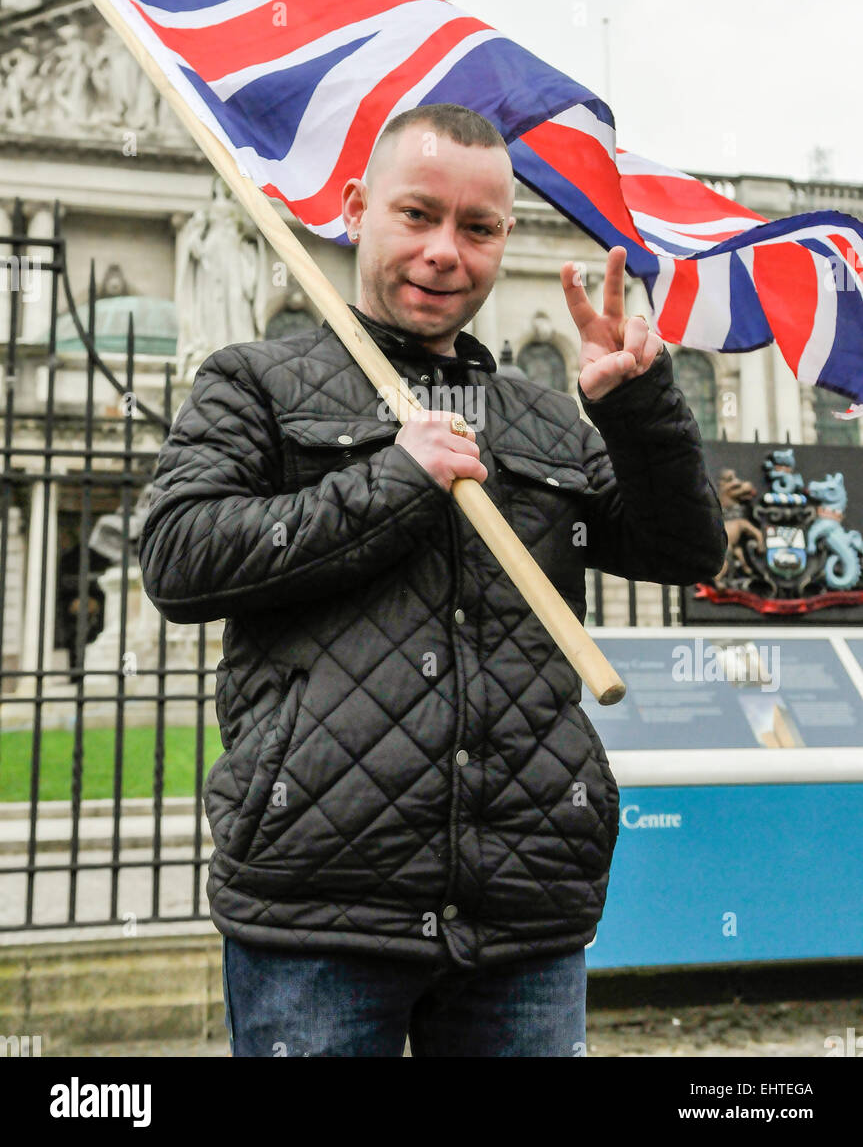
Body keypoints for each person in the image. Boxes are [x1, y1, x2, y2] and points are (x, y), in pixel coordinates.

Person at [138, 103, 726, 1057]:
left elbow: (681, 551)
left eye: (478, 227)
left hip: (524, 905)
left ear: (503, 239)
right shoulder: (253, 381)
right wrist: (391, 481)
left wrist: (639, 408)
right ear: (359, 208)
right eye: (417, 214)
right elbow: (179, 556)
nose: (444, 251)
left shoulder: (540, 422)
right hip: (318, 907)